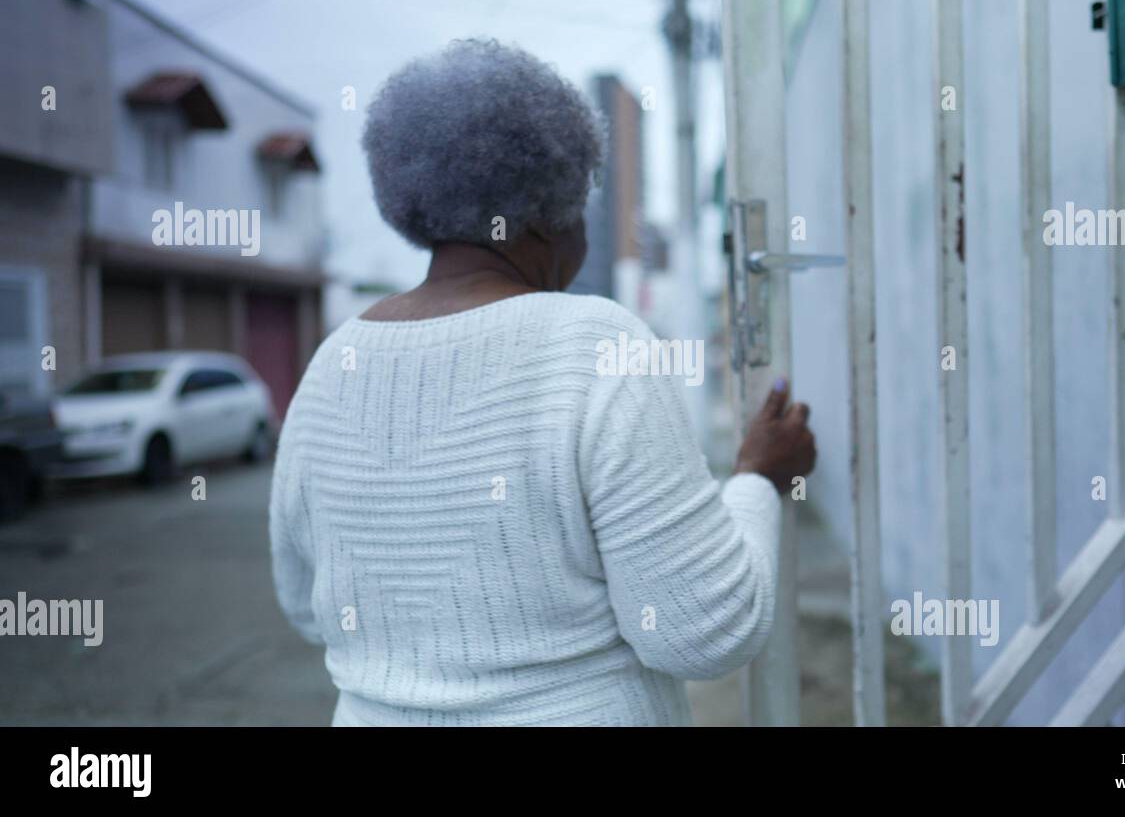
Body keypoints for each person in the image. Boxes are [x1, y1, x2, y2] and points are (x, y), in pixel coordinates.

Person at [269, 39, 816, 726]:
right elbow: (704, 629)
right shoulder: (595, 348)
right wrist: (759, 479)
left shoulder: (330, 365)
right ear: (543, 212)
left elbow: (304, 602)